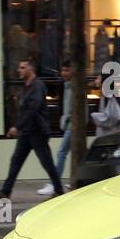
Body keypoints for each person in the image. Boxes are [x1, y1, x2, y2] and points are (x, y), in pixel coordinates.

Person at [0, 58, 64, 201]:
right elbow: (24, 111)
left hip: (37, 132)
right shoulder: (27, 87)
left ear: (31, 69)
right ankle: (5, 191)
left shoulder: (37, 86)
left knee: (46, 163)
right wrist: (18, 127)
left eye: (23, 67)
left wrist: (17, 127)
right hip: (26, 133)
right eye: (19, 68)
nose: (19, 70)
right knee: (15, 161)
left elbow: (32, 109)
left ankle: (59, 191)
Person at [38, 59, 73, 196]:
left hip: (72, 125)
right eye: (63, 70)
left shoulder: (73, 87)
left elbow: (77, 110)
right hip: (69, 125)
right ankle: (79, 180)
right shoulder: (67, 86)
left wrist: (66, 120)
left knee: (61, 153)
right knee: (78, 154)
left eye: (67, 70)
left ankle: (55, 183)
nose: (64, 73)